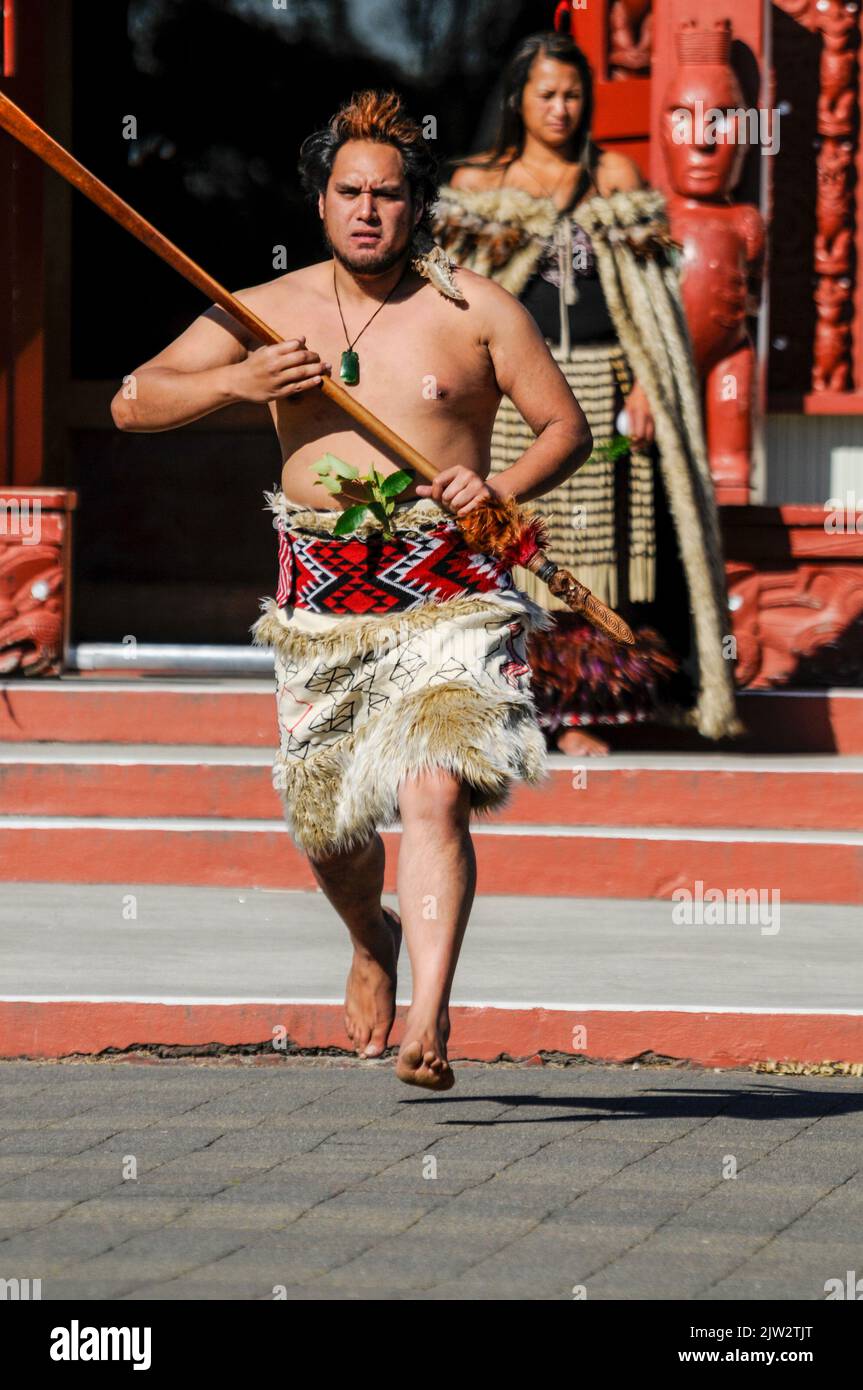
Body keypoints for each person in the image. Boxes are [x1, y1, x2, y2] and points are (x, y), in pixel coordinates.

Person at [110, 89, 592, 1092]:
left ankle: (429, 1014)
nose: (367, 210)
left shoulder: (476, 309)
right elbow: (132, 400)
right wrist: (236, 385)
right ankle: (372, 939)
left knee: (434, 788)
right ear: (319, 203)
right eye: (347, 192)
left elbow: (564, 426)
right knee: (327, 832)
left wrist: (493, 486)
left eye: (386, 193)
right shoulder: (262, 313)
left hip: (450, 593)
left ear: (417, 203)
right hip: (320, 608)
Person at [434, 31, 738, 755]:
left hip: (602, 388)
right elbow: (444, 299)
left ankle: (580, 711)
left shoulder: (618, 177)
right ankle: (506, 703)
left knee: (601, 552)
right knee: (512, 544)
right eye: (546, 94)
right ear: (519, 100)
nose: (560, 108)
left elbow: (656, 302)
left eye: (573, 94)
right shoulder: (478, 184)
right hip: (512, 398)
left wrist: (645, 387)